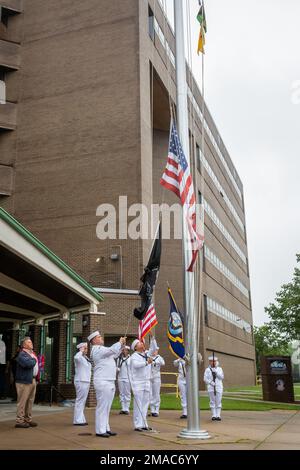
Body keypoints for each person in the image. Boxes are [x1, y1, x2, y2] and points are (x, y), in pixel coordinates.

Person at [89, 330, 126, 438]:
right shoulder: (97, 349)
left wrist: (121, 346)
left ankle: (106, 428)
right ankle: (100, 430)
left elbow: (114, 354)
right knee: (102, 406)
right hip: (103, 380)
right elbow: (111, 350)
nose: (101, 338)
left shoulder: (102, 350)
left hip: (109, 380)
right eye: (99, 337)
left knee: (107, 407)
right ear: (94, 340)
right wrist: (119, 343)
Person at [129, 336, 157, 431]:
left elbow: (154, 349)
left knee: (145, 403)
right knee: (138, 404)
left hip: (146, 382)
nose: (142, 344)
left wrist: (153, 339)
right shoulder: (134, 357)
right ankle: (137, 425)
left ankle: (144, 423)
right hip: (138, 382)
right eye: (139, 343)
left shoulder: (146, 354)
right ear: (135, 347)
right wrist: (146, 363)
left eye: (141, 342)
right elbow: (136, 365)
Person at [15, 337, 39, 428]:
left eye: (31, 341)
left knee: (30, 401)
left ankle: (28, 419)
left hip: (32, 380)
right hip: (23, 381)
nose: (31, 343)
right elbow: (28, 364)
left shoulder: (31, 354)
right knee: (22, 401)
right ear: (24, 345)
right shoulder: (22, 354)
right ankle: (19, 420)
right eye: (29, 342)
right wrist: (34, 360)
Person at [73, 342, 91, 426]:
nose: (87, 350)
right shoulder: (79, 356)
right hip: (81, 380)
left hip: (86, 380)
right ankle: (77, 420)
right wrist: (81, 351)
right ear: (81, 348)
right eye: (85, 348)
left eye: (86, 348)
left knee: (82, 401)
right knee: (80, 400)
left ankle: (81, 418)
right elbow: (76, 357)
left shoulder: (85, 358)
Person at [204, 355, 224, 421]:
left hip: (218, 387)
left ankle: (218, 415)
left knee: (218, 401)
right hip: (211, 387)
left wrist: (216, 373)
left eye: (214, 361)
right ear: (209, 362)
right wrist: (210, 382)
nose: (213, 362)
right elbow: (205, 379)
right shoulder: (207, 370)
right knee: (212, 401)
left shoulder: (219, 369)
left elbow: (221, 377)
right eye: (211, 361)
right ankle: (214, 415)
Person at [149, 346, 165, 417]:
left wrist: (155, 361)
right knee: (150, 393)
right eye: (153, 350)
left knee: (156, 393)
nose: (154, 352)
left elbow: (163, 363)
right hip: (150, 377)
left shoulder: (159, 358)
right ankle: (152, 410)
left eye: (155, 350)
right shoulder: (149, 357)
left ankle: (156, 410)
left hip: (156, 377)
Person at [116, 346, 131, 415]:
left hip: (128, 378)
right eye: (123, 350)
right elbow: (117, 367)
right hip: (120, 377)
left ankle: (127, 408)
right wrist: (117, 369)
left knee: (127, 393)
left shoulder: (130, 359)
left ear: (128, 351)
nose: (124, 351)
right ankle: (123, 408)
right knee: (121, 393)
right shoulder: (119, 359)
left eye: (125, 350)